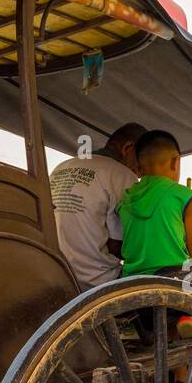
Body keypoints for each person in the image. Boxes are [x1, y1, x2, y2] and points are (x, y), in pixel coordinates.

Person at [49, 123, 145, 291]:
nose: (138, 173)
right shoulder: (123, 175)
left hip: (53, 275)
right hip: (95, 282)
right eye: (139, 166)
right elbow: (121, 246)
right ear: (128, 148)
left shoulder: (62, 167)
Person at [117, 130, 192, 277]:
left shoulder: (126, 197)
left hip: (130, 279)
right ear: (175, 162)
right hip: (172, 278)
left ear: (138, 169)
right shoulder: (183, 195)